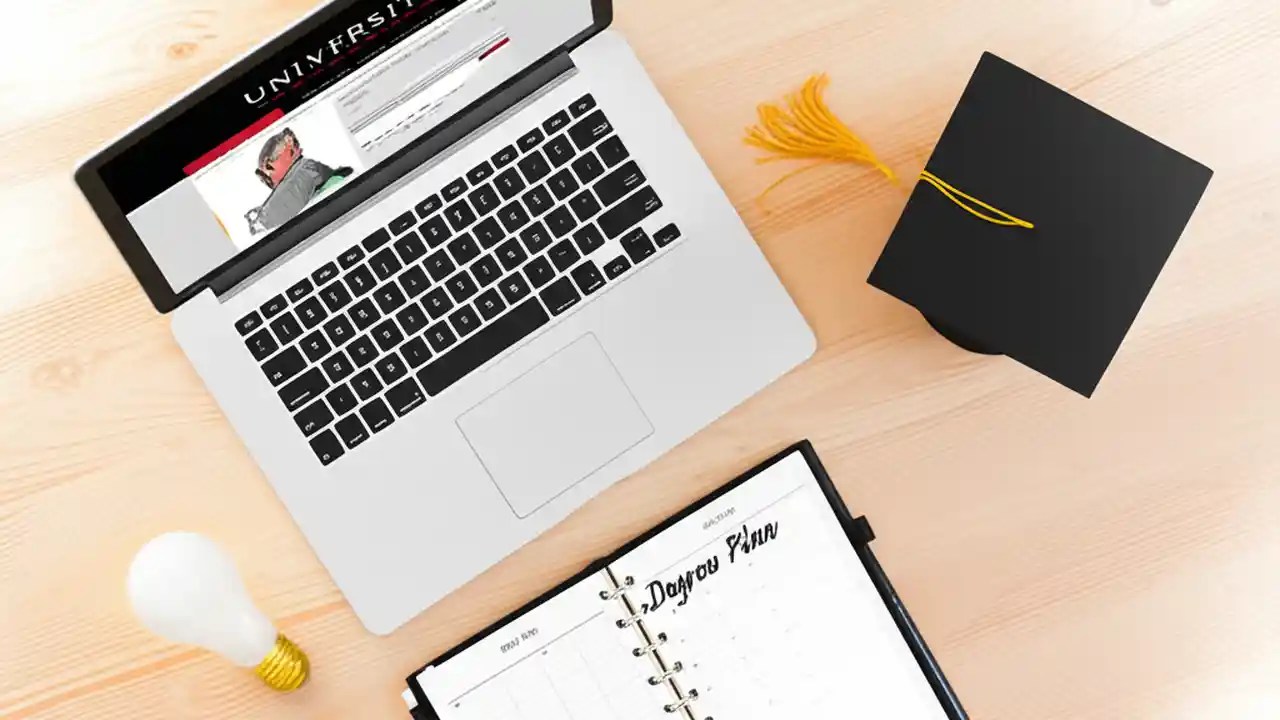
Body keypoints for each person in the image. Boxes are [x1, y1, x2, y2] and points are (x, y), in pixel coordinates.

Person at [244, 128, 353, 234]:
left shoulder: (305, 170)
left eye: (269, 167)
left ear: (289, 146)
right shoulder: (302, 175)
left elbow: (290, 196)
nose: (269, 178)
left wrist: (261, 221)